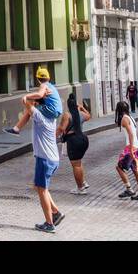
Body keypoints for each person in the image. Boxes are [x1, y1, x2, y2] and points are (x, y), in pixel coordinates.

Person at [23, 93, 64, 233]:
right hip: (52, 158)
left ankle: (49, 223)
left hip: (44, 159)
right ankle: (56, 212)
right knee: (40, 187)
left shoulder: (40, 116)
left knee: (42, 190)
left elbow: (26, 103)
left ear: (38, 104)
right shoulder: (51, 118)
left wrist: (30, 98)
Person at [114, 100, 138, 201]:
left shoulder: (124, 119)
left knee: (119, 167)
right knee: (136, 170)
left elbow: (131, 134)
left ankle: (129, 189)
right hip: (137, 147)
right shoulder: (131, 118)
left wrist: (131, 149)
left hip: (131, 148)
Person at [58, 91, 91, 194]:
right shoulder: (81, 114)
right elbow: (89, 116)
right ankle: (83, 182)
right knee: (79, 163)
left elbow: (62, 128)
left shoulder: (67, 115)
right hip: (83, 139)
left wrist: (53, 135)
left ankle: (80, 188)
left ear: (68, 105)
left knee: (76, 165)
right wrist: (81, 108)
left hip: (73, 140)